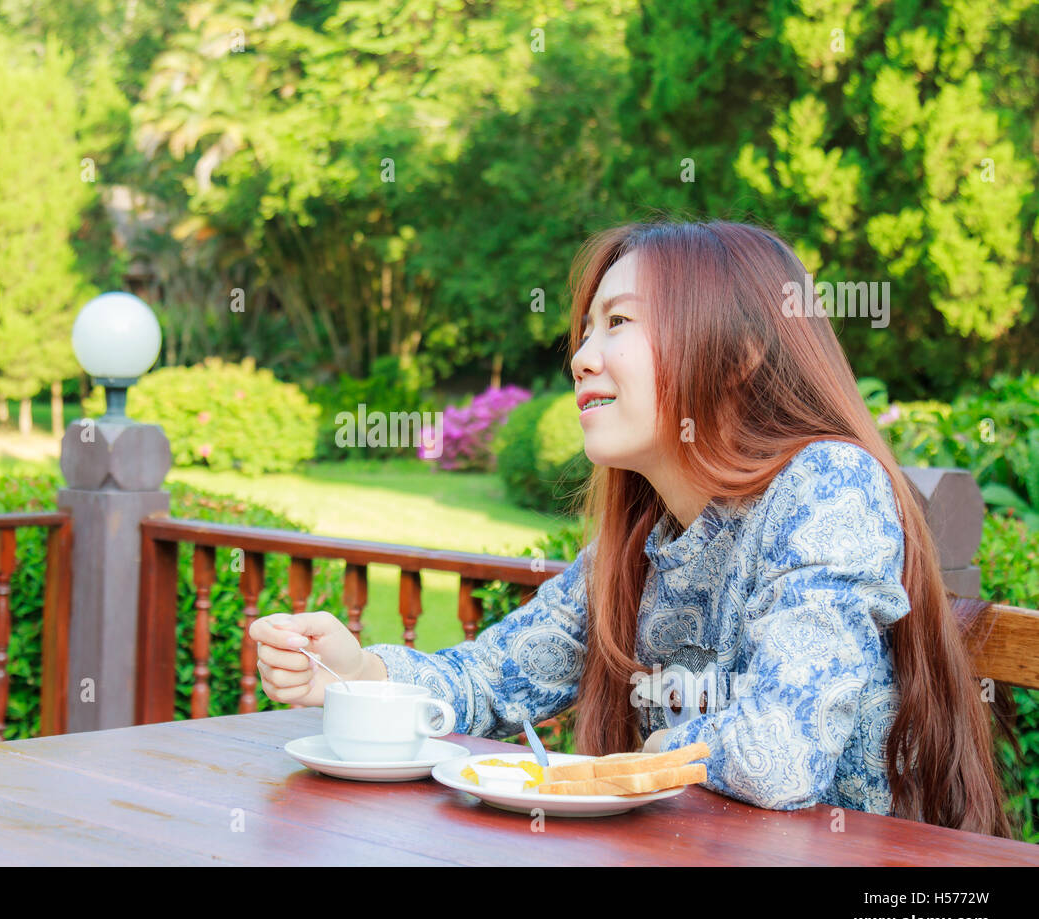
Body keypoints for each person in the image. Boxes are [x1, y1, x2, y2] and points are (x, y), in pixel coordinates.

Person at [249, 219, 1015, 838]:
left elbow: (780, 756)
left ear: (743, 351)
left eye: (618, 324)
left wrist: (634, 761)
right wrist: (355, 677)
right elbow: (489, 681)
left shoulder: (828, 486)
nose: (581, 358)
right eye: (584, 333)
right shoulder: (641, 547)